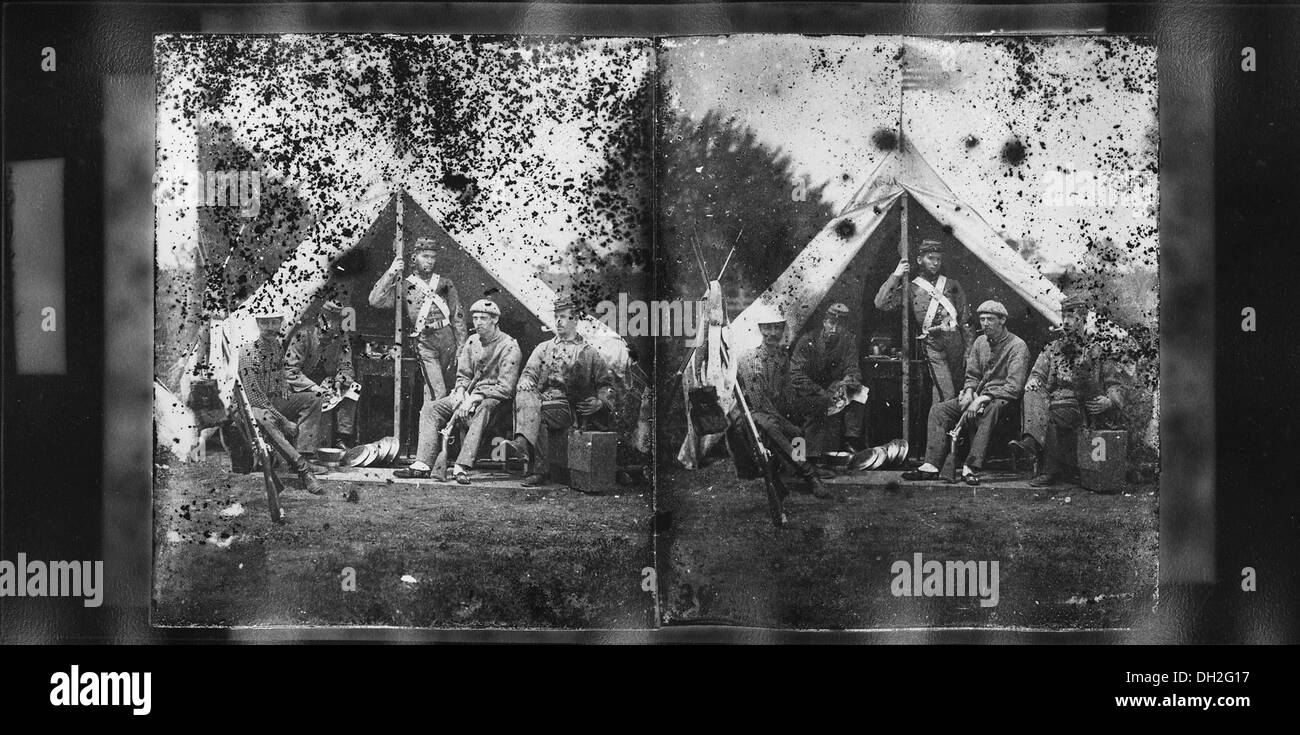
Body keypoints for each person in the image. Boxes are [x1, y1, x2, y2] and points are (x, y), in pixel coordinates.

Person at [1012, 293, 1135, 487]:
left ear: (1083, 319)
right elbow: (1038, 373)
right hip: (1052, 399)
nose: (1066, 322)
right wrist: (1033, 381)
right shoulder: (1052, 348)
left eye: (1072, 316)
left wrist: (1110, 401)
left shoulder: (1097, 350)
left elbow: (1114, 383)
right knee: (1031, 392)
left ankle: (1049, 471)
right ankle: (1030, 441)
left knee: (1053, 414)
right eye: (1064, 317)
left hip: (1080, 404)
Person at [394, 299, 522, 484]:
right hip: (469, 395)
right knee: (432, 409)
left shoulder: (509, 345)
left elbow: (506, 387)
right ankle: (423, 464)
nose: (477, 322)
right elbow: (463, 375)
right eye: (475, 318)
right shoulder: (472, 341)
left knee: (482, 410)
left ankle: (462, 466)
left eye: (483, 318)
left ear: (495, 320)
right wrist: (461, 392)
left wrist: (476, 398)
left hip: (495, 400)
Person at [902, 300, 1029, 486]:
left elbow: (1015, 386)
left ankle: (971, 466)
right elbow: (972, 374)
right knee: (939, 410)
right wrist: (969, 392)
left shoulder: (1018, 346)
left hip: (1004, 400)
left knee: (989, 410)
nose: (985, 324)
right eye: (982, 319)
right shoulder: (980, 342)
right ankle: (931, 465)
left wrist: (983, 398)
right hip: (977, 396)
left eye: (990, 319)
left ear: (1002, 321)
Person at [506, 298, 617, 488]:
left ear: (575, 320)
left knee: (536, 411)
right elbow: (529, 373)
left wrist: (600, 402)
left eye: (563, 317)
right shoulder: (544, 348)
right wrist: (525, 380)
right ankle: (525, 448)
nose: (558, 321)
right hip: (540, 401)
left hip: (567, 406)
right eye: (556, 317)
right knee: (524, 395)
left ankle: (526, 450)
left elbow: (606, 384)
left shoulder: (588, 352)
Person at [731, 302, 835, 499]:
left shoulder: (781, 356)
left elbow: (788, 390)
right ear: (760, 329)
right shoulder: (751, 359)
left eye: (777, 327)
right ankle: (809, 474)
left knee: (818, 404)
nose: (772, 333)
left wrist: (797, 408)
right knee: (776, 426)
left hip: (775, 406)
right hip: (752, 411)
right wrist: (788, 422)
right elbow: (759, 401)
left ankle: (807, 457)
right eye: (768, 328)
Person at [236, 308, 327, 495]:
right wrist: (284, 421)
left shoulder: (276, 346)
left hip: (273, 401)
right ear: (258, 324)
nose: (270, 328)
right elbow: (255, 397)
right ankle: (304, 470)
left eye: (274, 322)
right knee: (265, 418)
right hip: (252, 408)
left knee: (314, 398)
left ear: (281, 323)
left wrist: (285, 388)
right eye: (265, 323)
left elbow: (280, 373)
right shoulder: (248, 352)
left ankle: (305, 453)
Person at [368, 236, 467, 402]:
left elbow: (458, 316)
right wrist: (392, 271)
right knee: (437, 392)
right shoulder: (405, 285)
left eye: (433, 257)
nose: (430, 261)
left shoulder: (445, 283)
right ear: (414, 258)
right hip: (425, 342)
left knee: (452, 391)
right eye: (425, 256)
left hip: (448, 340)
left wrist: (461, 348)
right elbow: (375, 300)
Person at [873, 239, 971, 402]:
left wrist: (969, 351)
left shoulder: (953, 285)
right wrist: (896, 274)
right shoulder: (911, 288)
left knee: (959, 393)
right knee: (945, 394)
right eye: (931, 258)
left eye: (938, 259)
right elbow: (881, 303)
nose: (935, 263)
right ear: (919, 260)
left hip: (956, 345)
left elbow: (966, 320)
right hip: (933, 344)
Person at [789, 302, 867, 461]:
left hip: (833, 388)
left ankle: (850, 439)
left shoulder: (847, 341)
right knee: (817, 405)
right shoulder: (808, 340)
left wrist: (848, 381)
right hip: (808, 390)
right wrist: (819, 391)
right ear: (824, 322)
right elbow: (796, 374)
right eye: (832, 323)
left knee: (860, 392)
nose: (835, 328)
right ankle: (811, 456)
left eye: (840, 325)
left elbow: (852, 367)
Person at [285, 299, 358, 451]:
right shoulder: (303, 335)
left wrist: (340, 380)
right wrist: (313, 387)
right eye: (327, 319)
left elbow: (346, 366)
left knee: (353, 389)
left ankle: (341, 437)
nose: (330, 325)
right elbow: (290, 370)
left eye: (335, 320)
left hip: (328, 383)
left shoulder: (342, 338)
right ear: (319, 318)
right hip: (302, 384)